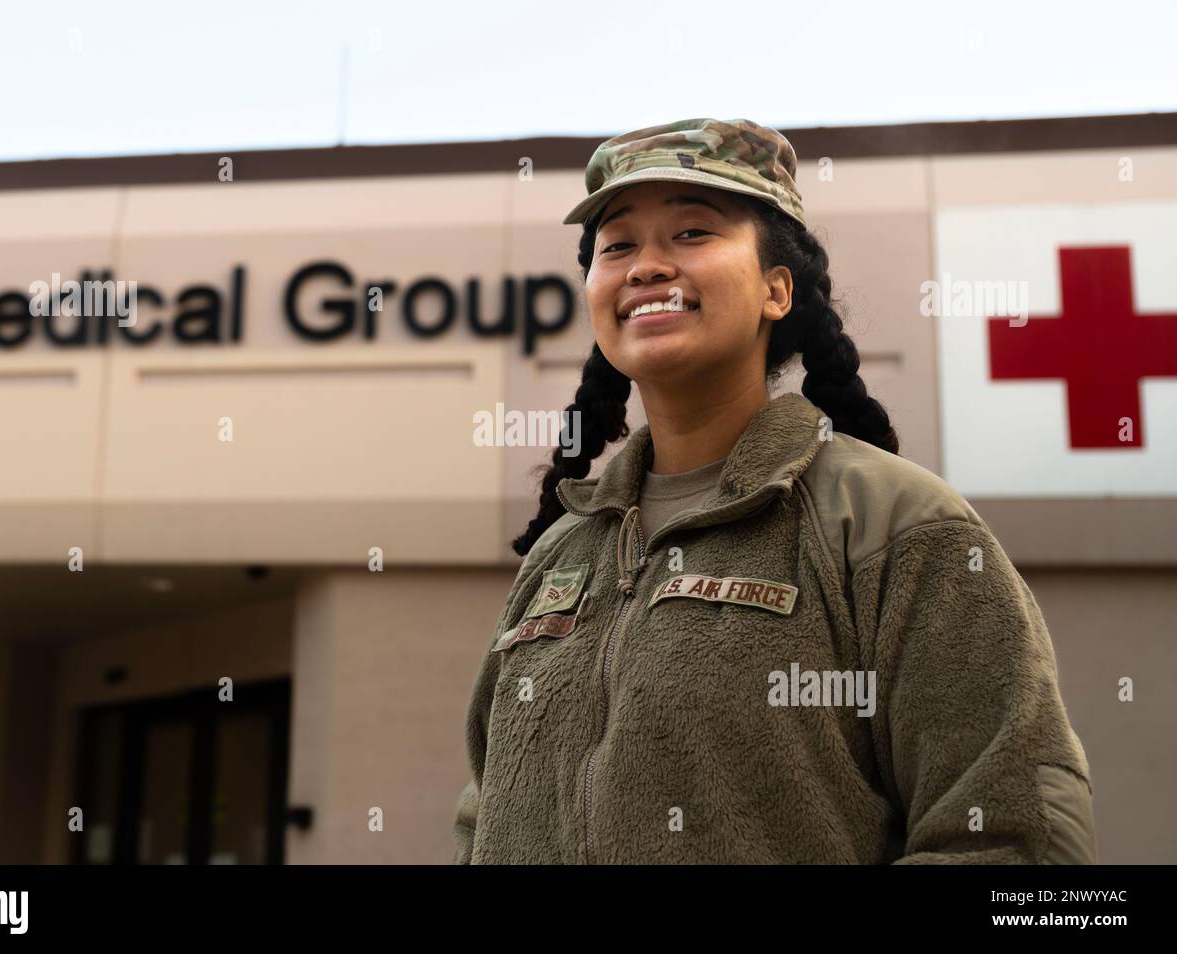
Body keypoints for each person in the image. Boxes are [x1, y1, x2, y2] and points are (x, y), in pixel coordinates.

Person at [453, 118, 1097, 864]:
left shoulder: (898, 528)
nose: (646, 266)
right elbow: (484, 816)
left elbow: (1015, 837)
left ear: (777, 290)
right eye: (618, 245)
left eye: (693, 233)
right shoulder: (563, 552)